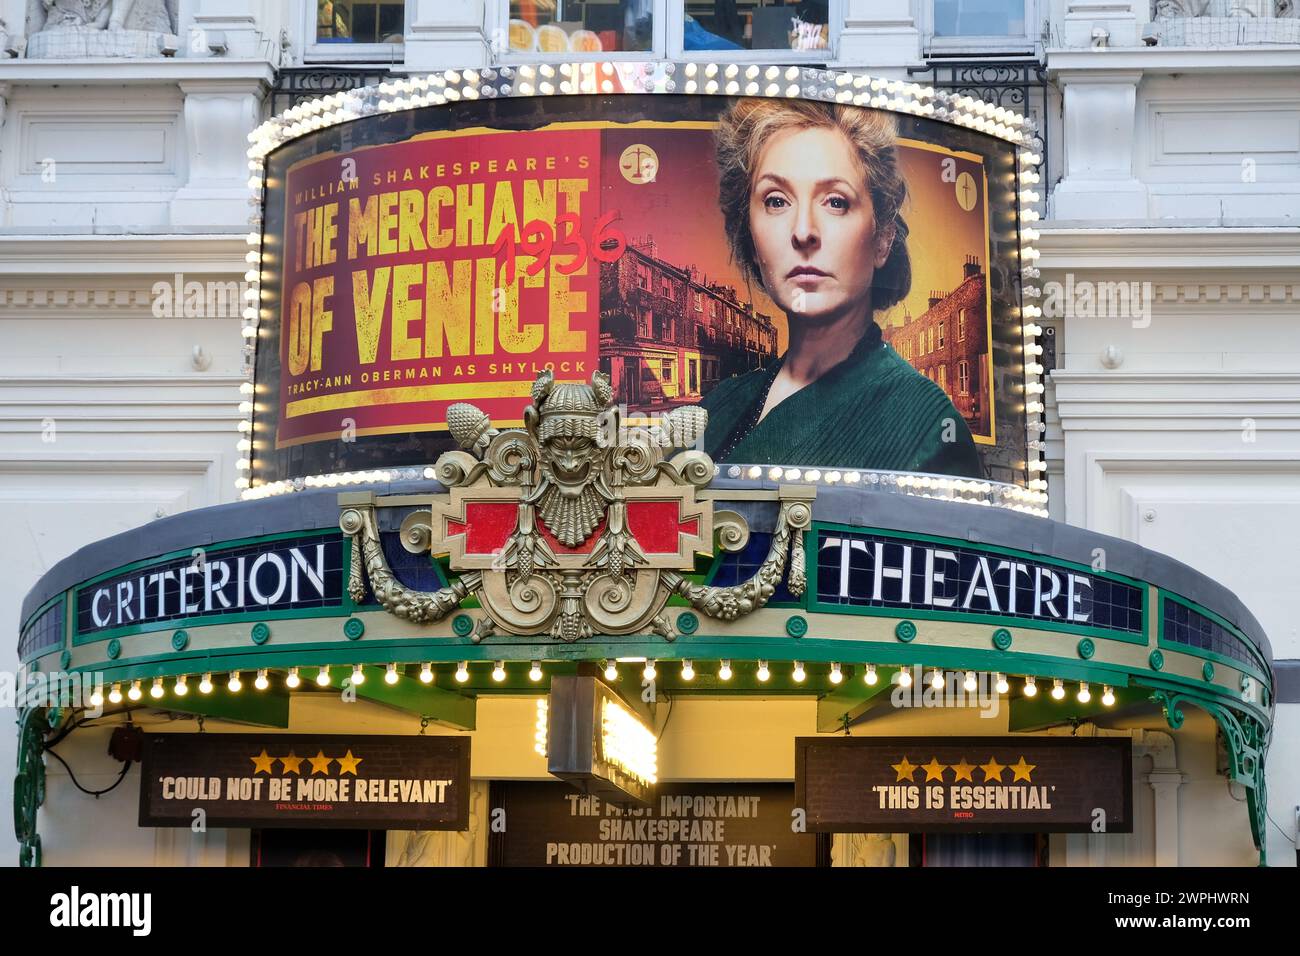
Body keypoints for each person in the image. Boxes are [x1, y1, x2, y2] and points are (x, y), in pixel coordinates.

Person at [701, 99, 982, 478]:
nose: (803, 231)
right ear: (750, 234)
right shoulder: (721, 404)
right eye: (776, 201)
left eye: (835, 201)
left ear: (882, 236)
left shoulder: (924, 424)